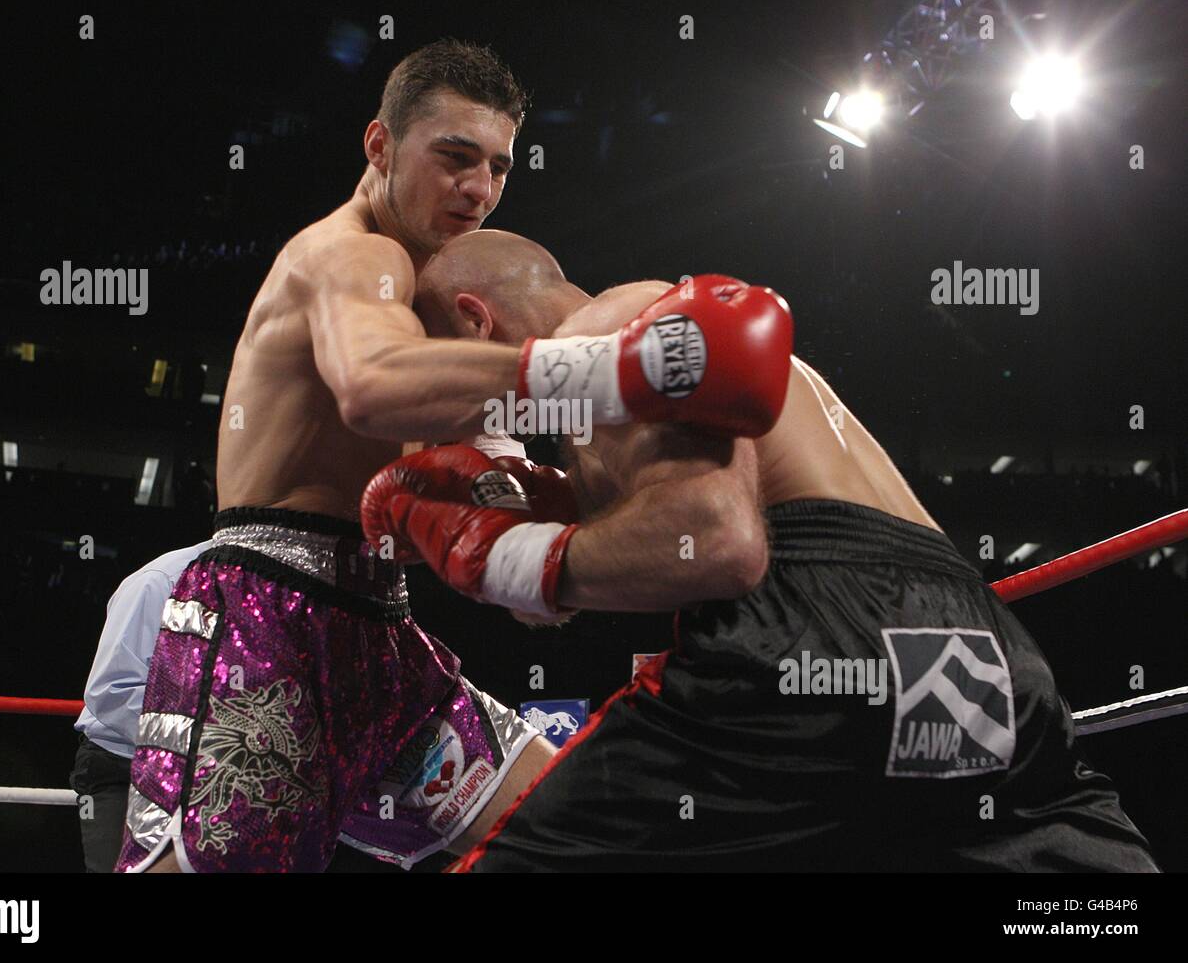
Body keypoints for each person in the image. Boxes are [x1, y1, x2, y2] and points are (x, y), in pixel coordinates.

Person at [115, 39, 775, 873]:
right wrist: (621, 372)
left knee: (568, 837)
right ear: (380, 146)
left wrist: (537, 540)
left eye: (498, 167)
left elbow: (451, 459)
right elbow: (372, 383)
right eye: (454, 158)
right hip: (266, 621)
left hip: (381, 635)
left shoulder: (433, 294)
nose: (479, 190)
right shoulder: (352, 255)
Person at [364, 229, 1160, 872]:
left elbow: (717, 542)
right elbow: (627, 560)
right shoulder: (625, 394)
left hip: (813, 634)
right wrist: (523, 521)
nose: (439, 423)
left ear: (472, 325)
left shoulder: (612, 328)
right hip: (979, 653)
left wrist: (502, 557)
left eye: (432, 370)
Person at [71, 540, 213, 872]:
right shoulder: (161, 579)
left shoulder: (266, 592)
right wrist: (203, 740)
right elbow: (111, 690)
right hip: (124, 764)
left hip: (208, 772)